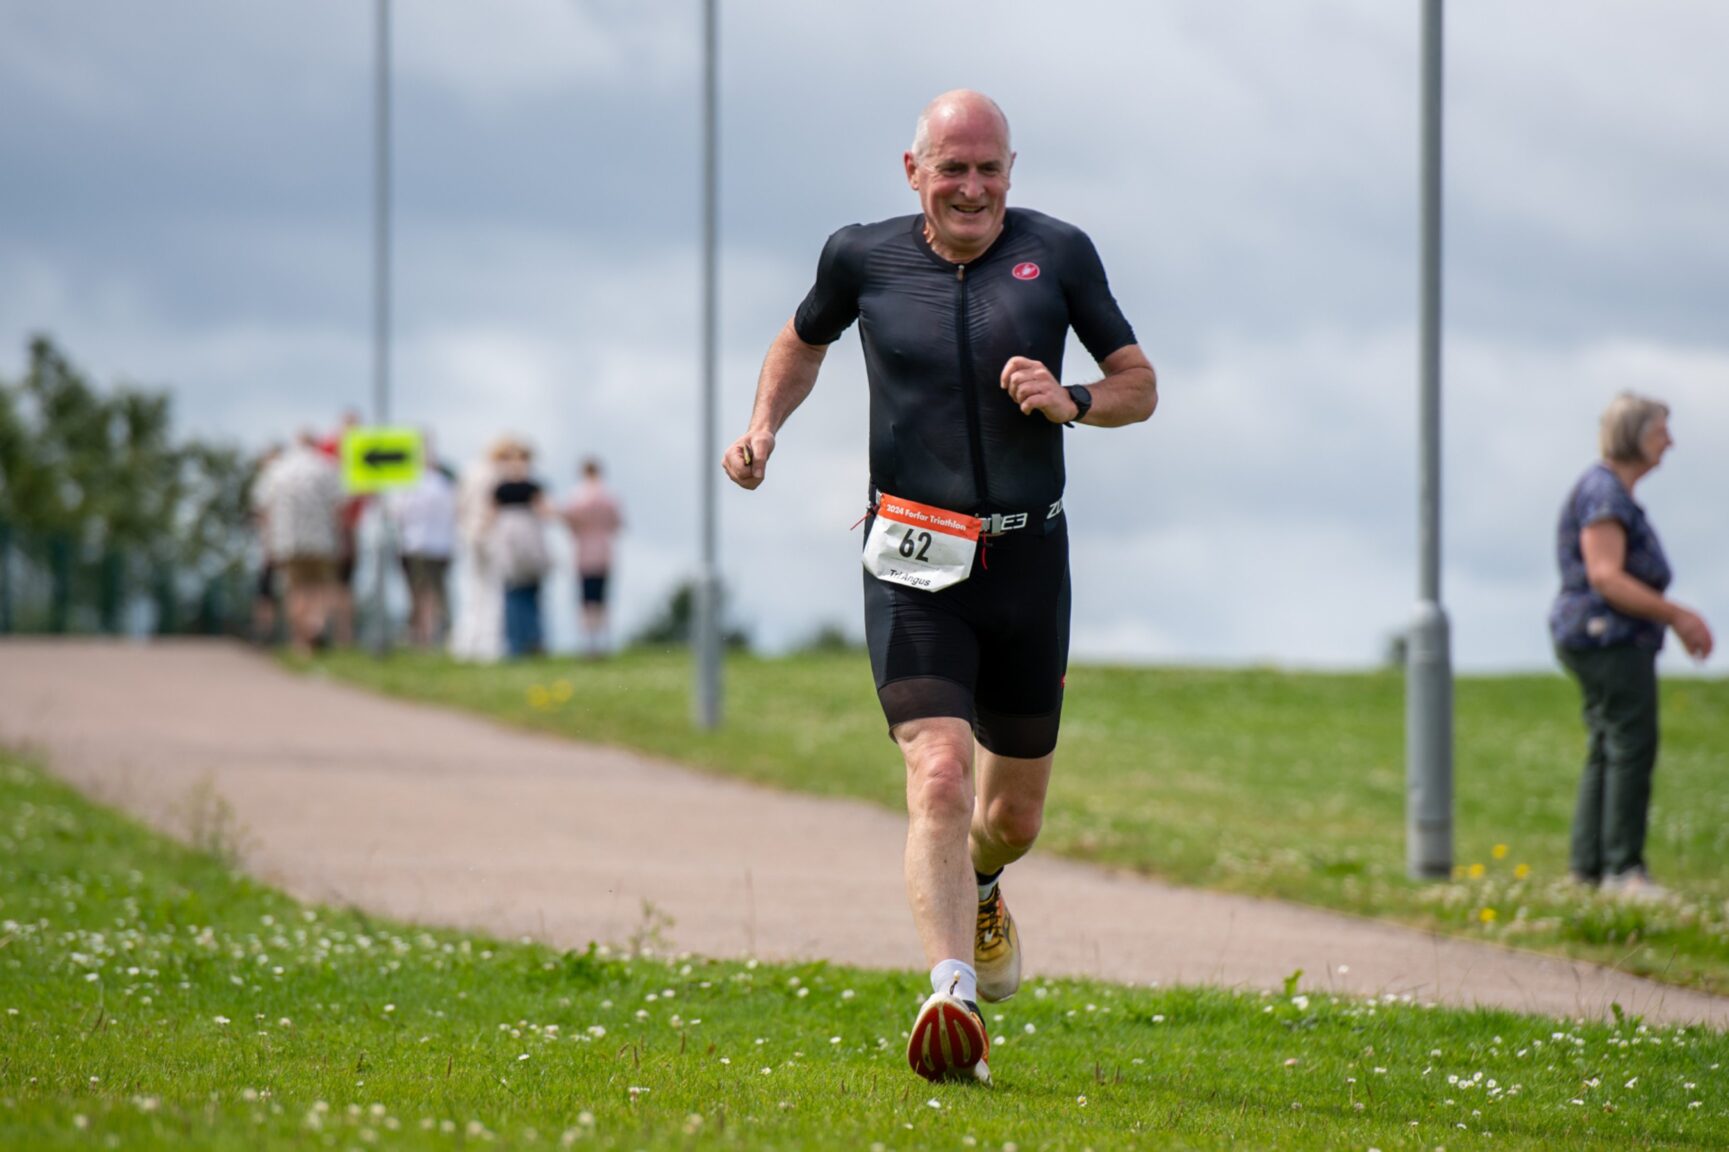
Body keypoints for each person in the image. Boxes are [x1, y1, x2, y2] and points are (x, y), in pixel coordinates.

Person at [722, 90, 1156, 1084]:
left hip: (1027, 563)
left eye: (988, 169)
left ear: (1011, 171)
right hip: (913, 562)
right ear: (912, 169)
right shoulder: (861, 257)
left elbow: (1138, 384)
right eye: (951, 168)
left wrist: (1073, 399)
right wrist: (763, 429)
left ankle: (986, 885)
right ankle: (950, 998)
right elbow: (801, 339)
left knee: (1010, 820)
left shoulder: (1059, 253)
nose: (971, 188)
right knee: (939, 775)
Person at [1549, 392, 1712, 901]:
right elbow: (1606, 576)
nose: (1670, 442)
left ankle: (1590, 870)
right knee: (1630, 744)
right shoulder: (1605, 494)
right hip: (1609, 637)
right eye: (1661, 431)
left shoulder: (1608, 491)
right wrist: (1677, 615)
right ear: (1635, 436)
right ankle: (1623, 870)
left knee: (1609, 745)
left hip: (1603, 636)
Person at [252, 431, 344, 657]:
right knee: (320, 588)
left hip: (288, 541)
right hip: (321, 540)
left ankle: (300, 639)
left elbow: (263, 507)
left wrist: (267, 542)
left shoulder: (277, 470)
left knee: (295, 590)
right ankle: (316, 625)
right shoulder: (326, 466)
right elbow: (339, 504)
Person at [386, 441, 457, 648]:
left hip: (414, 545)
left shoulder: (407, 484)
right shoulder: (444, 484)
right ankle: (432, 633)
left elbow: (395, 513)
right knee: (434, 591)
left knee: (417, 592)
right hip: (440, 547)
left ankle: (423, 635)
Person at [487, 437, 553, 659]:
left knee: (532, 592)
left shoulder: (533, 487)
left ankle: (534, 640)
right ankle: (514, 643)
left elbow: (544, 512)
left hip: (529, 543)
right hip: (508, 545)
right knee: (512, 593)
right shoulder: (500, 488)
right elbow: (491, 515)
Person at [560, 457, 624, 658]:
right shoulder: (609, 496)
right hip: (603, 553)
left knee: (586, 601)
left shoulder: (577, 497)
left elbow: (569, 521)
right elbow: (617, 524)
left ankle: (589, 643)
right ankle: (603, 641)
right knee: (602, 600)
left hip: (584, 554)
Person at [449, 447, 505, 664]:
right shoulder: (496, 475)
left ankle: (465, 644)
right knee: (491, 592)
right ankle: (488, 646)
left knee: (471, 592)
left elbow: (459, 506)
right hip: (489, 535)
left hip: (468, 534)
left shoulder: (469, 471)